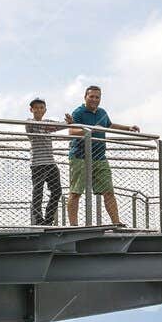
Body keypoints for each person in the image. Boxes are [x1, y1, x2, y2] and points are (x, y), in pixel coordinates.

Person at [64, 85, 140, 227]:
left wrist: (127, 128)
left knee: (108, 191)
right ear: (85, 97)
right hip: (80, 156)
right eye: (91, 96)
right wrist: (91, 130)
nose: (94, 99)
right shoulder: (78, 112)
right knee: (76, 192)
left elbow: (109, 125)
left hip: (99, 157)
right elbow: (72, 132)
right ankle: (73, 225)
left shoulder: (102, 113)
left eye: (97, 97)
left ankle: (116, 223)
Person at [27, 97, 62, 226]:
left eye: (41, 108)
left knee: (57, 191)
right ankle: (38, 219)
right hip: (37, 163)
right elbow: (47, 127)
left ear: (45, 110)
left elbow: (60, 126)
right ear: (31, 110)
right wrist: (52, 127)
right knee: (38, 192)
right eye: (36, 108)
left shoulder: (47, 122)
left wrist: (69, 122)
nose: (38, 110)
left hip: (50, 162)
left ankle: (48, 219)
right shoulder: (29, 122)